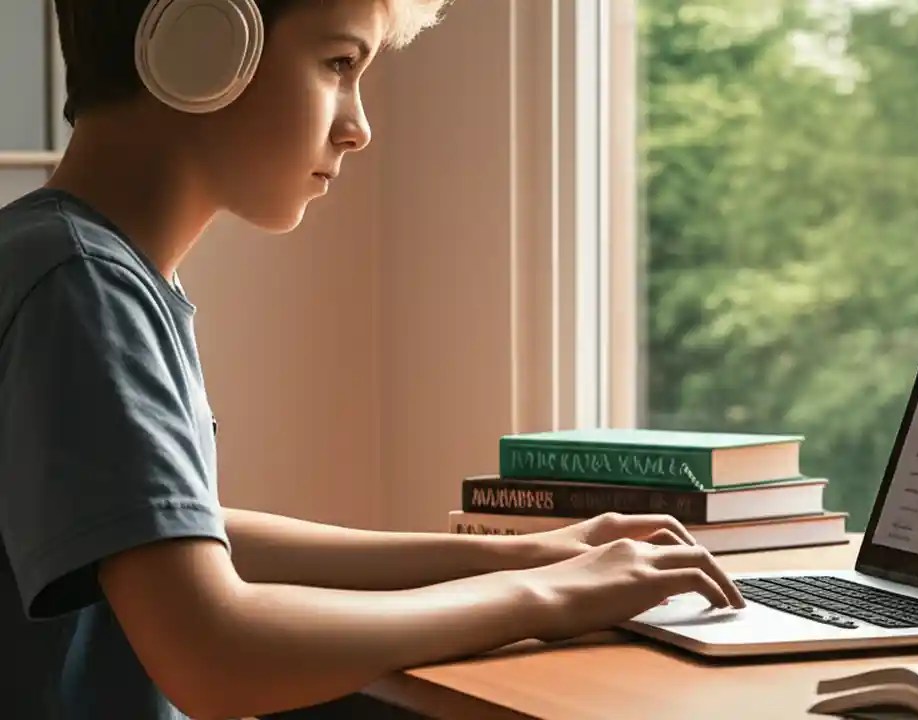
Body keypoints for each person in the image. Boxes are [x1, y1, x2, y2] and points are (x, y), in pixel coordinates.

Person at [0, 1, 746, 717]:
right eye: (337, 63)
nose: (358, 128)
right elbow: (213, 654)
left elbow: (170, 537)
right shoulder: (83, 284)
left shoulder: (72, 261)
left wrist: (530, 557)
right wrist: (550, 599)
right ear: (204, 45)